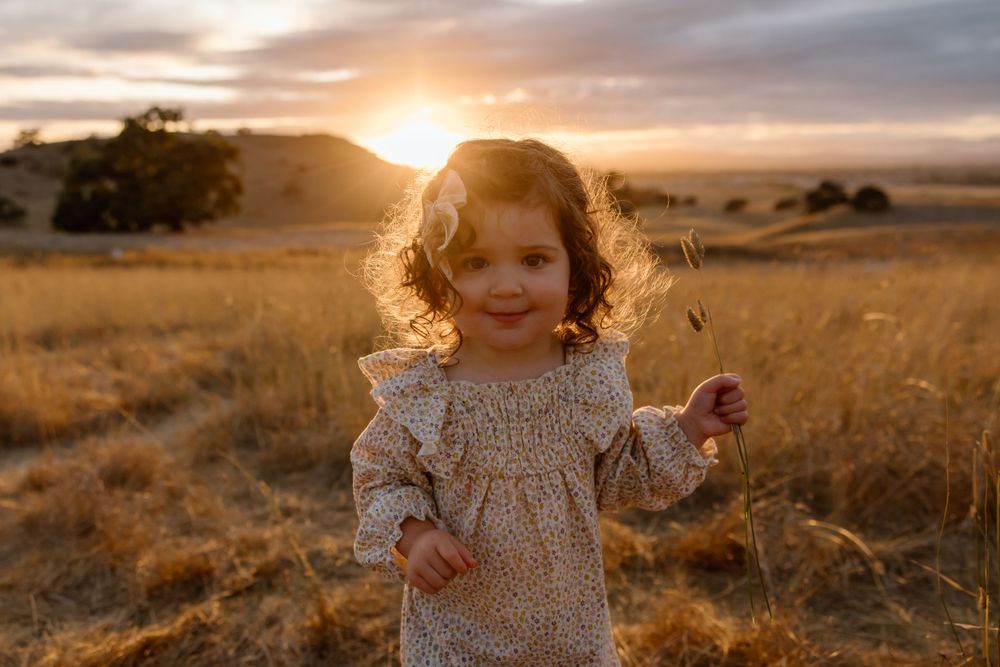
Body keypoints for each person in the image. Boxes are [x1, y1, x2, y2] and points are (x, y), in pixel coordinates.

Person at [351, 138, 748, 665]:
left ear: (575, 267)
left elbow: (614, 475)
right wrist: (416, 536)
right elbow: (381, 478)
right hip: (456, 637)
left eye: (534, 259)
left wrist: (689, 428)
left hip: (570, 637)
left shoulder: (584, 380)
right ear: (434, 273)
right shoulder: (424, 395)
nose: (507, 286)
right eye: (475, 262)